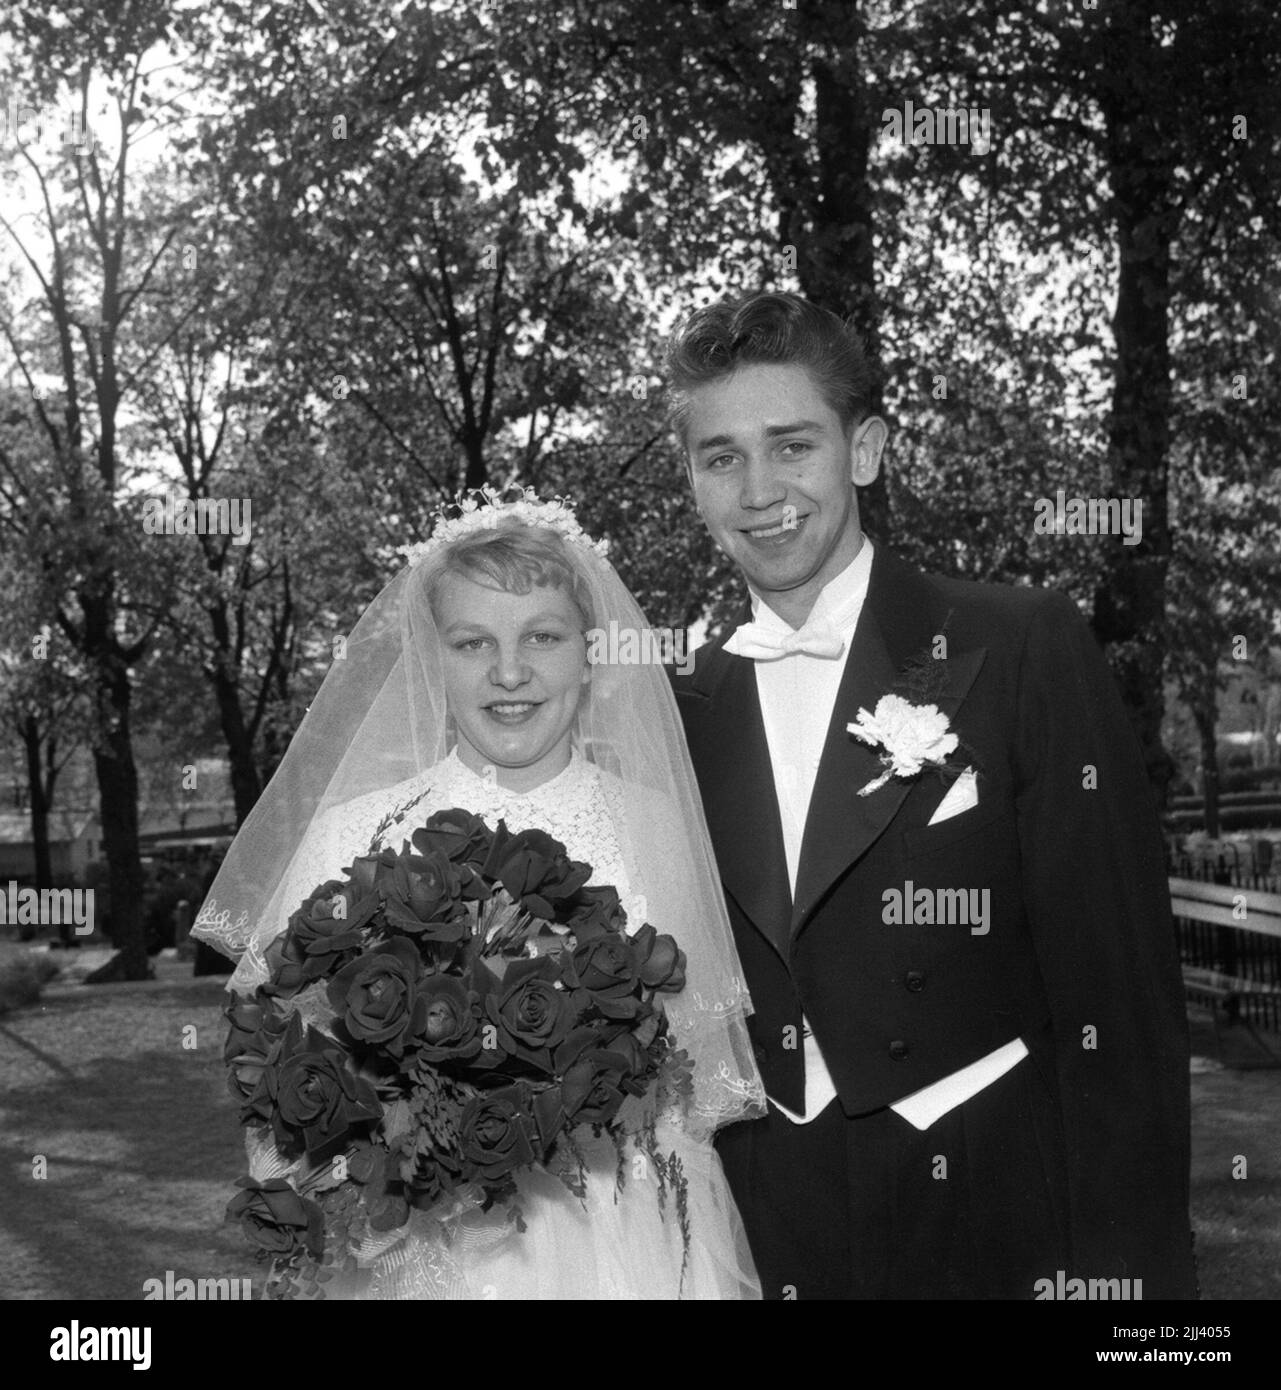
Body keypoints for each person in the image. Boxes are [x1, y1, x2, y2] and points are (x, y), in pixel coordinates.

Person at [667, 290, 1198, 1300]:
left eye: (792, 444)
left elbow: (1118, 1008)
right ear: (692, 480)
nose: (759, 487)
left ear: (863, 450)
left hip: (992, 1212)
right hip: (764, 1225)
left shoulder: (1016, 644)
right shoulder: (679, 708)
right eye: (721, 456)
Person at [192, 493, 764, 1299]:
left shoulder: (656, 829)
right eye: (472, 642)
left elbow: (696, 1084)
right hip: (423, 1253)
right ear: (432, 659)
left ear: (590, 654)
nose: (509, 672)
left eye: (542, 635)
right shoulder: (354, 835)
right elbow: (280, 1079)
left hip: (621, 1236)